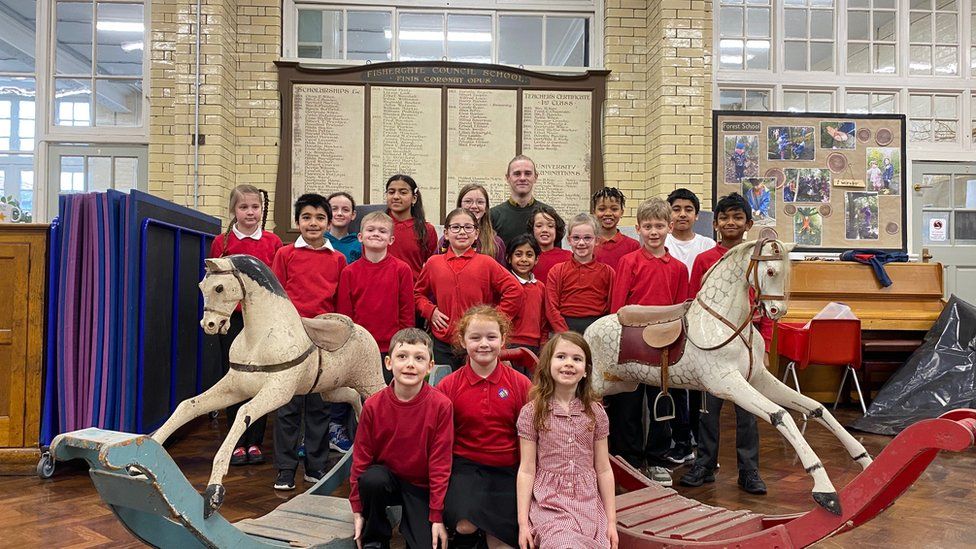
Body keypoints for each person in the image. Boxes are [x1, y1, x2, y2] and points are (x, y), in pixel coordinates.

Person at [679, 192, 767, 496]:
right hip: (710, 349)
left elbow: (765, 302)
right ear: (715, 224)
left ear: (748, 223)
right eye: (725, 217)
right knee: (707, 409)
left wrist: (762, 340)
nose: (731, 222)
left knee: (748, 410)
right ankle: (704, 464)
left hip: (745, 346)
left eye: (737, 217)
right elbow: (693, 305)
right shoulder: (704, 260)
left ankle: (749, 470)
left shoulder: (756, 257)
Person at [607, 198, 690, 488]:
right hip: (631, 343)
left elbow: (680, 308)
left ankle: (656, 459)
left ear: (669, 227)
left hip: (663, 345)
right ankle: (628, 460)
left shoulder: (679, 268)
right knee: (627, 404)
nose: (653, 232)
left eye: (658, 226)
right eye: (647, 226)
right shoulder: (627, 262)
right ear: (638, 229)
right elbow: (618, 307)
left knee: (660, 402)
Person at [437, 306, 532, 549]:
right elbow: (440, 441)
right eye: (475, 337)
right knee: (465, 525)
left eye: (491, 337)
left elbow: (529, 438)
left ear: (503, 340)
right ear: (462, 340)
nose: (484, 344)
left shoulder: (520, 384)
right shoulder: (449, 386)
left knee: (502, 542)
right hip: (467, 468)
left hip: (508, 469)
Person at [271, 193, 348, 491]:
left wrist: (336, 339)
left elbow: (340, 303)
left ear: (328, 222)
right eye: (306, 217)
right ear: (297, 222)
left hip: (324, 343)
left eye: (319, 217)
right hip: (291, 342)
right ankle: (285, 468)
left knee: (319, 407)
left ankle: (316, 466)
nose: (313, 223)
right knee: (288, 406)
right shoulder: (285, 254)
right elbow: (276, 298)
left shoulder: (338, 259)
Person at [349, 328, 453, 549]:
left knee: (428, 545)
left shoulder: (441, 406)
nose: (410, 364)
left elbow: (440, 463)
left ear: (429, 367)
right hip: (386, 481)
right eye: (402, 356)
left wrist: (437, 516)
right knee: (372, 479)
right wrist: (357, 510)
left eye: (419, 358)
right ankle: (376, 537)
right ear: (388, 363)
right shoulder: (373, 406)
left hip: (421, 485)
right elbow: (361, 460)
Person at [516, 332, 617, 549]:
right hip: (550, 503)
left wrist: (611, 522)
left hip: (587, 503)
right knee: (563, 544)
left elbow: (603, 469)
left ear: (585, 371)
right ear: (547, 364)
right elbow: (526, 469)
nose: (568, 364)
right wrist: (523, 524)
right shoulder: (532, 412)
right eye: (561, 357)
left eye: (577, 359)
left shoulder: (595, 413)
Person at [209, 184, 282, 467]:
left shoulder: (272, 242)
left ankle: (255, 441)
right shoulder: (222, 242)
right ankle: (236, 441)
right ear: (233, 210)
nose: (250, 213)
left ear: (262, 210)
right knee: (235, 377)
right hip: (233, 319)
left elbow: (275, 283)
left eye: (255, 207)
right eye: (244, 207)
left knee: (260, 377)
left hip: (262, 320)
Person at [415, 208, 523, 369]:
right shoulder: (433, 263)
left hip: (477, 341)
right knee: (444, 387)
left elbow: (515, 291)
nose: (462, 232)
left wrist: (493, 319)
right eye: (455, 227)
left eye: (468, 227)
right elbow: (418, 294)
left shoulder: (486, 263)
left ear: (476, 233)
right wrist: (430, 311)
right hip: (443, 344)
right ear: (446, 233)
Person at [662, 188, 715, 467]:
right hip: (669, 319)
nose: (682, 214)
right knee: (675, 384)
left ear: (696, 215)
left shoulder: (706, 245)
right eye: (676, 209)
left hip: (700, 322)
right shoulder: (662, 240)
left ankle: (699, 441)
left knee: (698, 385)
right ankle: (679, 440)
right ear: (668, 214)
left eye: (688, 209)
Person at [337, 211, 415, 385]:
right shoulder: (349, 272)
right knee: (359, 399)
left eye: (382, 231)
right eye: (370, 230)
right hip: (360, 348)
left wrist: (403, 346)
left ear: (391, 239)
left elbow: (407, 312)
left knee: (387, 396)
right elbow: (345, 314)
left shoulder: (402, 270)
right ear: (360, 237)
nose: (376, 234)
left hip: (391, 348)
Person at [545, 214, 613, 335]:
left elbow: (612, 306)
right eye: (576, 238)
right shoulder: (557, 271)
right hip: (565, 327)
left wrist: (601, 331)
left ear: (597, 240)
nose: (581, 243)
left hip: (598, 329)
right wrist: (564, 333)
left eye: (587, 238)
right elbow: (551, 308)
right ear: (569, 240)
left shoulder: (608, 272)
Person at [490, 155, 551, 246]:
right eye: (517, 174)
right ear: (508, 178)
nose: (522, 178)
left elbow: (555, 254)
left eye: (528, 173)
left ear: (535, 177)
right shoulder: (493, 215)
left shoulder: (548, 214)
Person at [438, 184, 506, 265]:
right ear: (460, 206)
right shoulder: (447, 239)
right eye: (468, 201)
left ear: (486, 208)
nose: (474, 206)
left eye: (480, 202)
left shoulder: (496, 243)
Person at [386, 174, 437, 278]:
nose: (396, 197)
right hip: (381, 289)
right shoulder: (375, 226)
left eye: (403, 192)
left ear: (414, 198)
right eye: (391, 192)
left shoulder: (427, 230)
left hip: (413, 290)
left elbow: (433, 267)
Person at [507, 234, 548, 357]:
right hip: (511, 344)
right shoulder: (505, 285)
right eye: (518, 254)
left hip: (535, 346)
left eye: (529, 255)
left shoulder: (540, 287)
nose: (524, 259)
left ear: (536, 259)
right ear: (509, 258)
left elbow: (543, 320)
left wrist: (544, 344)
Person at [592, 187, 640, 272]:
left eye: (614, 209)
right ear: (594, 212)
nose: (608, 213)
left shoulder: (633, 246)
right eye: (602, 209)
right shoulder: (588, 244)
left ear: (622, 212)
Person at [529, 204, 571, 284]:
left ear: (557, 229)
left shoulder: (568, 257)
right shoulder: (526, 257)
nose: (545, 230)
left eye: (550, 226)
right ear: (532, 229)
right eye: (539, 226)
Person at [326, 191, 362, 264]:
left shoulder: (360, 245)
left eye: (345, 210)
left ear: (353, 215)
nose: (339, 213)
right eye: (334, 209)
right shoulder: (318, 242)